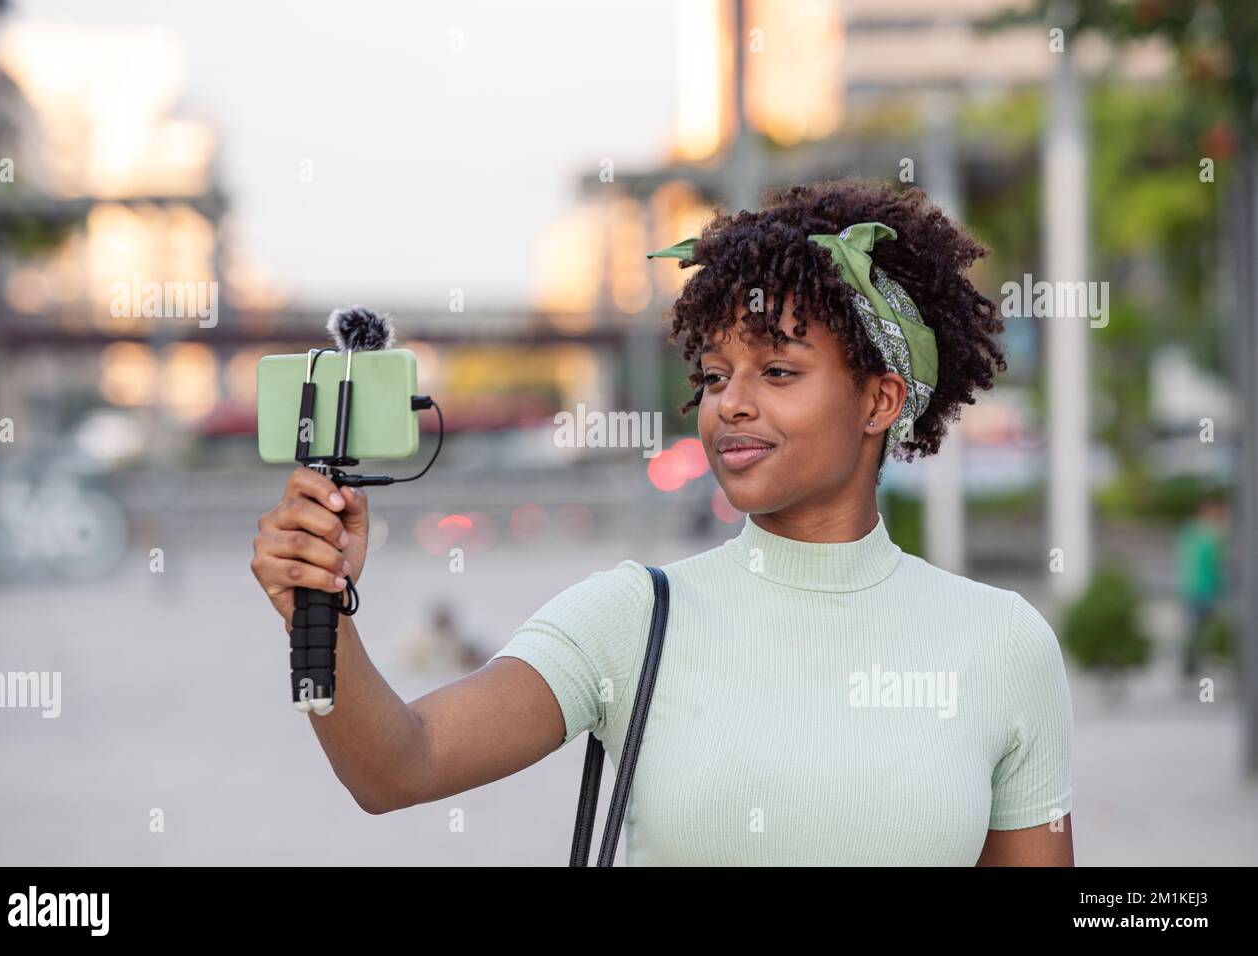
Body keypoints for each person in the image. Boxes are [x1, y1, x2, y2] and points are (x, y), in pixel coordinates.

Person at [250, 178, 1074, 866]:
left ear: (880, 400)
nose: (731, 404)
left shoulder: (1000, 644)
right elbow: (399, 766)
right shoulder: (633, 618)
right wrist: (316, 608)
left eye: (778, 370)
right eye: (715, 376)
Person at [1177, 492, 1230, 681]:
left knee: (1197, 632)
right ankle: (1197, 675)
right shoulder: (1206, 534)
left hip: (1197, 589)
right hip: (1202, 590)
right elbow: (1215, 563)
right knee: (1200, 632)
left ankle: (1194, 672)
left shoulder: (1192, 532)